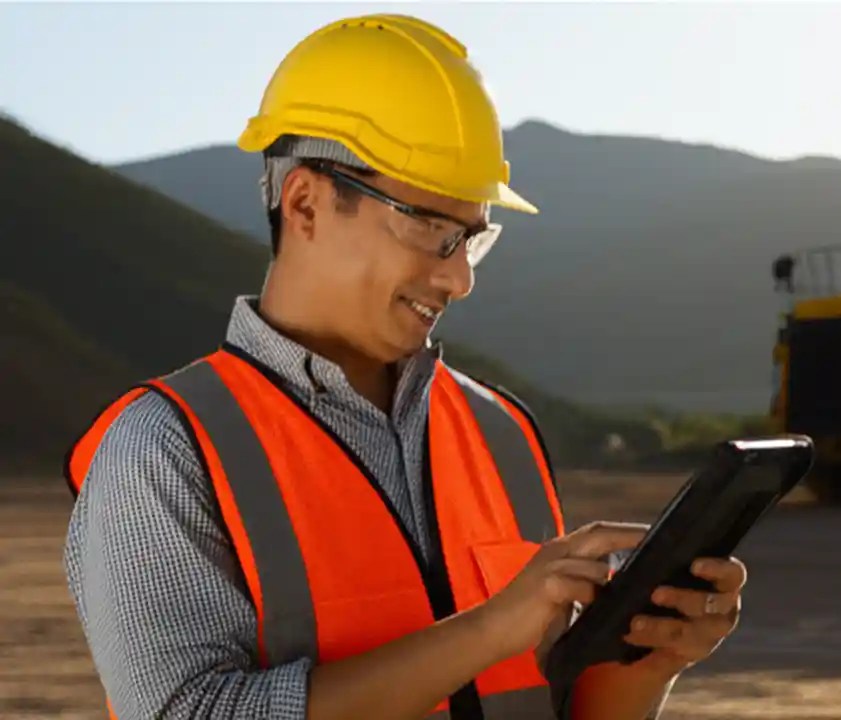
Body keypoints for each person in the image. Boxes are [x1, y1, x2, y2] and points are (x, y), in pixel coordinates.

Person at [62, 13, 747, 720]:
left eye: (472, 241)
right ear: (305, 202)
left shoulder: (501, 431)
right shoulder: (165, 447)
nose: (459, 280)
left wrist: (648, 662)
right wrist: (488, 630)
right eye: (431, 230)